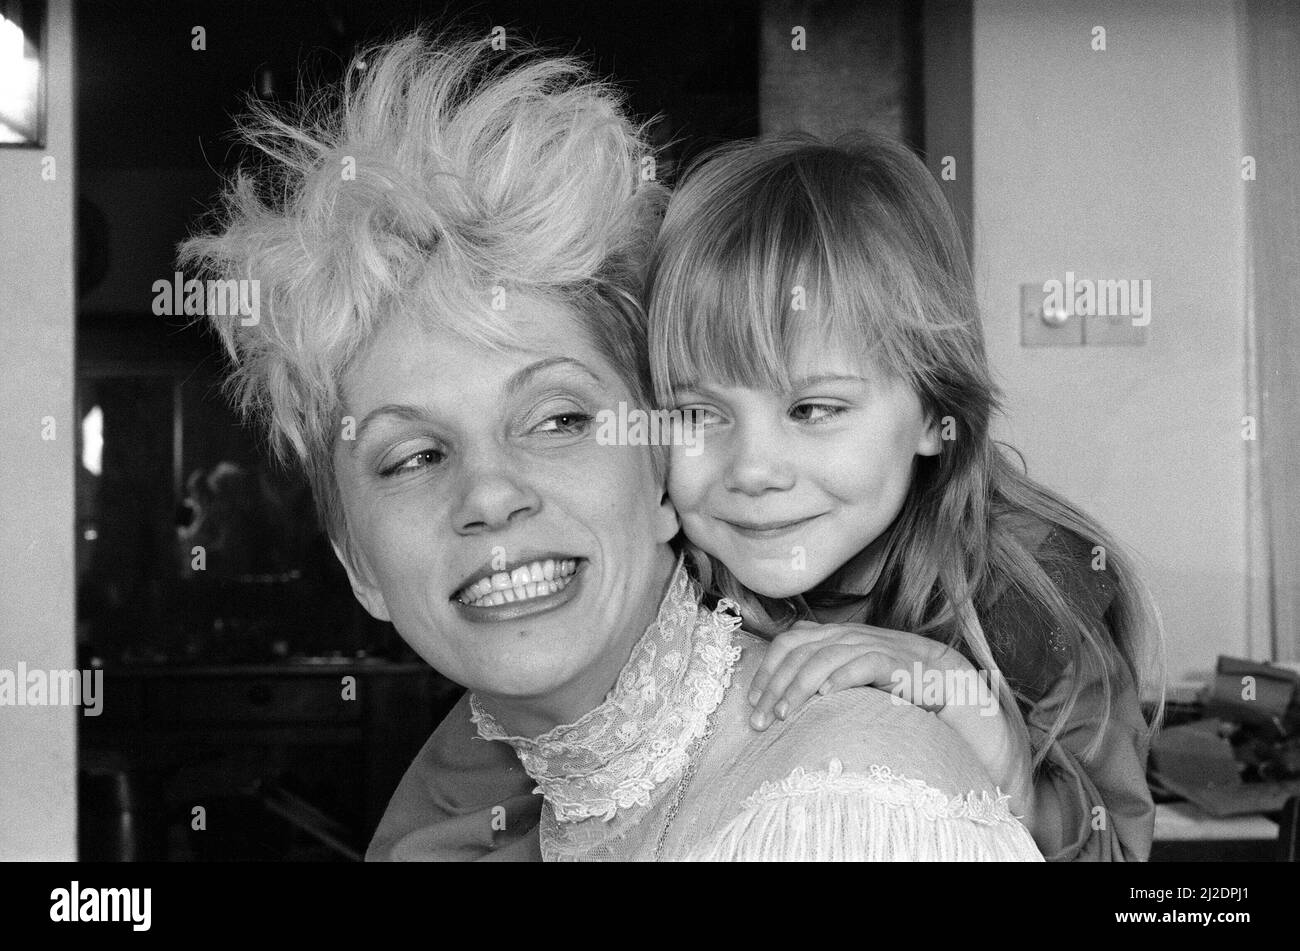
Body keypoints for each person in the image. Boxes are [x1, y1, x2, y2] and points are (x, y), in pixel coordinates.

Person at [182, 32, 1042, 862]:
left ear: (659, 466)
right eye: (413, 456)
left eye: (558, 420)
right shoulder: (455, 814)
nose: (489, 495)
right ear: (357, 565)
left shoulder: (850, 794)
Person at [644, 135, 1163, 860]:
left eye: (813, 409)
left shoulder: (1036, 592)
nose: (752, 470)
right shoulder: (653, 592)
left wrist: (994, 743)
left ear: (930, 412)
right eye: (697, 415)